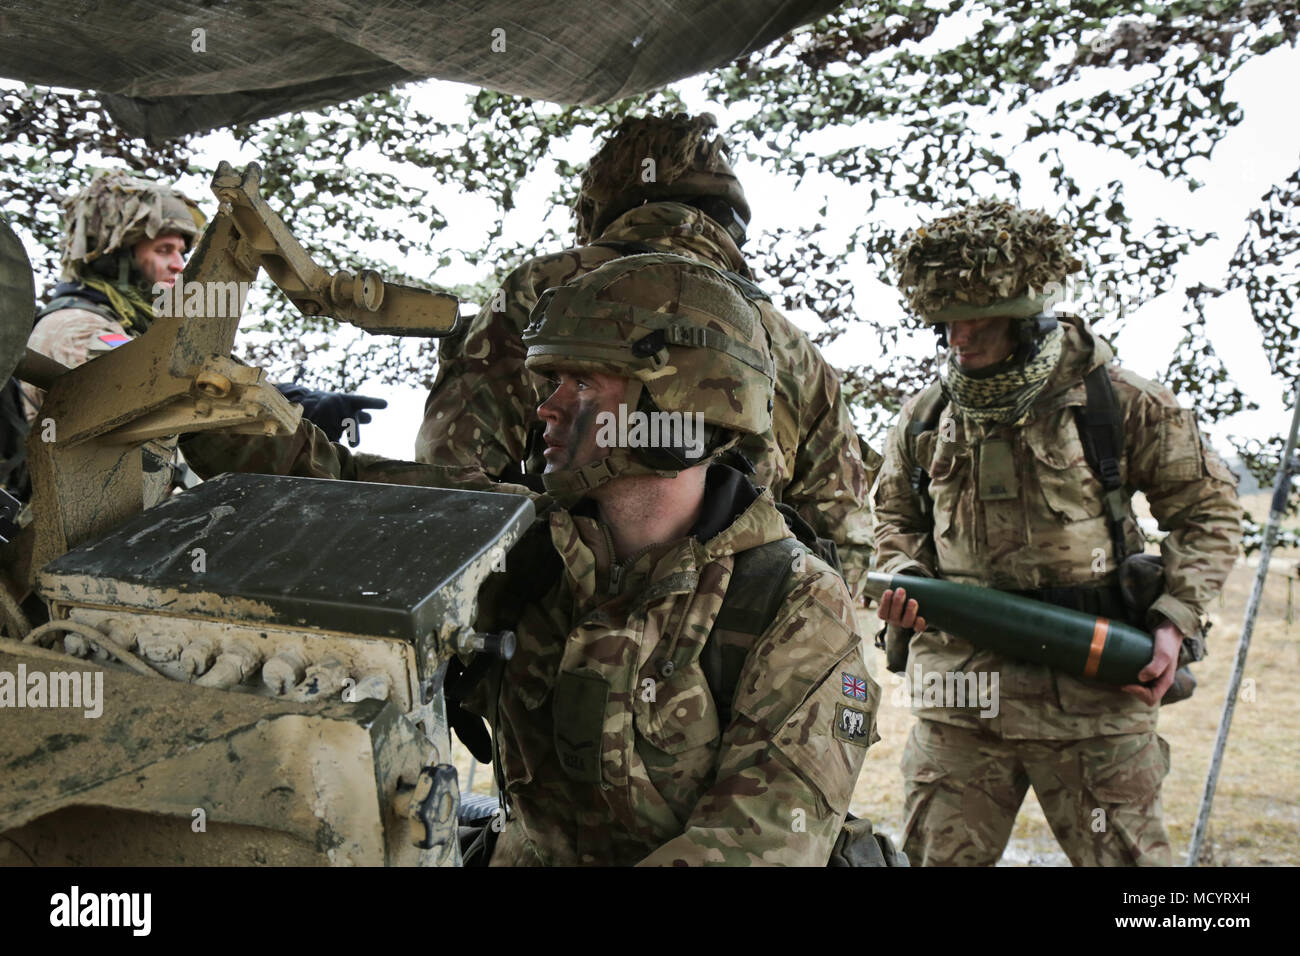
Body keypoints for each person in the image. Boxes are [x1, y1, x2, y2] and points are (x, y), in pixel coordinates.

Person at [182, 253, 882, 866]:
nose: (545, 408)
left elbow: (757, 848)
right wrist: (201, 395)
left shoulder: (791, 604)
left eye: (580, 385)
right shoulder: (529, 542)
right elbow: (330, 488)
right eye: (552, 382)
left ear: (675, 404)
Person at [872, 198, 1241, 866]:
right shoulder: (927, 417)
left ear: (1027, 316)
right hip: (962, 704)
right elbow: (895, 519)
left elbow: (1208, 513)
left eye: (978, 317)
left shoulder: (1119, 403)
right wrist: (906, 579)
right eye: (947, 321)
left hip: (1094, 697)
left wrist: (1175, 618)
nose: (960, 338)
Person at [416, 112, 877, 597]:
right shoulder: (792, 346)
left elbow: (448, 473)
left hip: (555, 625)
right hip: (739, 641)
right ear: (728, 219)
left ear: (605, 200)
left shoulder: (548, 289)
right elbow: (839, 537)